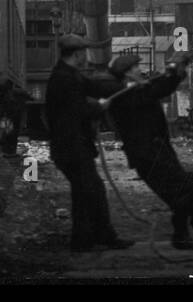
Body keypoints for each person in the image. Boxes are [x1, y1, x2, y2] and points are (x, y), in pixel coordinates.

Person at [101, 53, 193, 249]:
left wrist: (175, 73)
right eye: (135, 68)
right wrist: (172, 72)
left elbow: (159, 88)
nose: (140, 70)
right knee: (189, 192)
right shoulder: (125, 97)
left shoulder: (135, 92)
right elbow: (155, 90)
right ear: (126, 75)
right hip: (148, 156)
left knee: (185, 195)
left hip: (157, 152)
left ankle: (185, 236)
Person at [45, 34, 133, 253]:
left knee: (89, 191)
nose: (86, 56)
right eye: (84, 52)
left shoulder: (68, 74)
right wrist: (99, 107)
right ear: (77, 54)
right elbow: (79, 109)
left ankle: (93, 238)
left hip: (72, 147)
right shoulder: (65, 79)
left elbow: (93, 87)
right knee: (88, 191)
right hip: (72, 148)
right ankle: (87, 241)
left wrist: (124, 84)